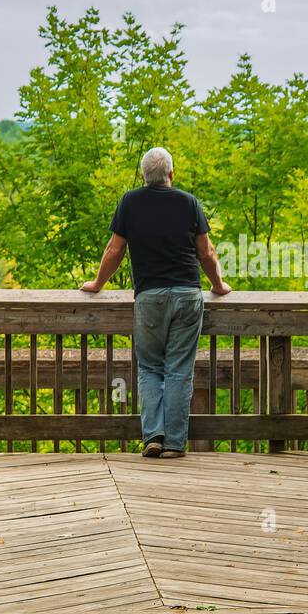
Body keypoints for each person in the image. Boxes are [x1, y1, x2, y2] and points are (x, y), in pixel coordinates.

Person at [79, 146, 231, 457]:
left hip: (149, 297)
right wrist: (218, 284)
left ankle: (153, 437)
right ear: (171, 175)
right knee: (178, 370)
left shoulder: (130, 202)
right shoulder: (189, 203)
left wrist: (97, 283)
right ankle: (175, 443)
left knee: (150, 368)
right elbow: (206, 252)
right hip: (188, 295)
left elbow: (114, 250)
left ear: (144, 176)